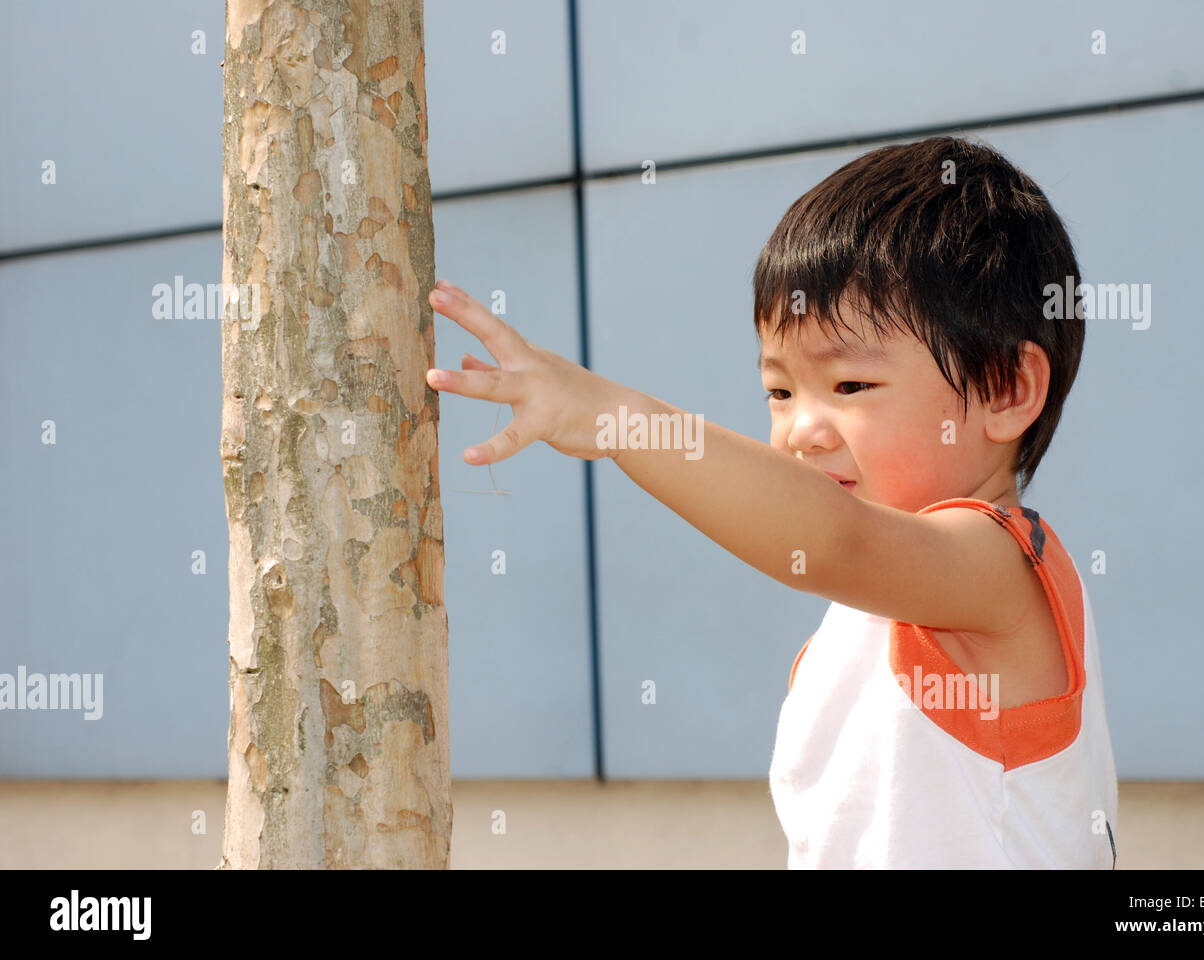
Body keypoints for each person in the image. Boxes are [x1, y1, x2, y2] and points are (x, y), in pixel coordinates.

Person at [423, 134, 1119, 869]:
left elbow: (834, 540)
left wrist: (613, 419)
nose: (801, 432)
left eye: (849, 386)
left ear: (1007, 391)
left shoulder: (999, 569)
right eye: (779, 392)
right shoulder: (853, 627)